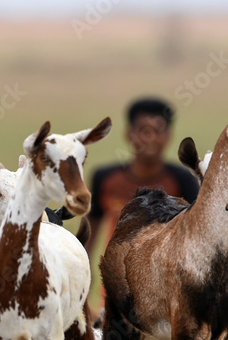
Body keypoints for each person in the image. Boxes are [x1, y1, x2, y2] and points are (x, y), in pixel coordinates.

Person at [85, 97, 200, 255]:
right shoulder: (105, 178)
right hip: (113, 277)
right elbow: (89, 237)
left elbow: (194, 237)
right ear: (129, 134)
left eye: (157, 130)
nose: (150, 137)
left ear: (168, 135)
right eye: (143, 130)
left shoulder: (183, 180)